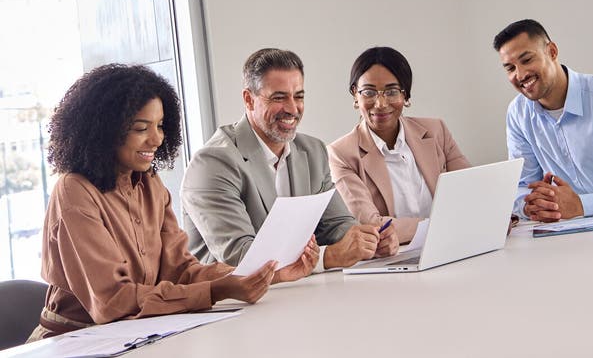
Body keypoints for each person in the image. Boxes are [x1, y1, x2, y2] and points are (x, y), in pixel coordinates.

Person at [32, 63, 293, 339]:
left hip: (137, 334)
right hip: (73, 342)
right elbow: (112, 301)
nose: (156, 139)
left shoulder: (149, 183)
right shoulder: (74, 190)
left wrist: (261, 274)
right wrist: (217, 290)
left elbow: (181, 271)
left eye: (159, 126)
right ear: (105, 131)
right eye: (141, 128)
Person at [181, 48, 398, 270]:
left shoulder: (312, 151)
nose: (293, 109)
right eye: (279, 97)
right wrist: (327, 257)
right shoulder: (212, 163)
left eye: (299, 96)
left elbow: (336, 225)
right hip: (232, 301)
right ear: (249, 99)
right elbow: (239, 256)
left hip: (298, 293)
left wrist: (367, 240)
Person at [494, 18, 593, 221]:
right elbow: (522, 186)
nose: (520, 74)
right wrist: (533, 206)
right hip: (566, 233)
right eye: (510, 68)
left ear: (552, 51)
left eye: (527, 60)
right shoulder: (517, 114)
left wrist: (581, 205)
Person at [328, 46, 470, 245]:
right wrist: (447, 223)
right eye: (369, 92)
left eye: (392, 91)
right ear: (355, 95)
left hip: (454, 244)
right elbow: (372, 226)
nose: (380, 103)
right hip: (397, 259)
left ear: (406, 95)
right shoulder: (341, 154)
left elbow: (472, 194)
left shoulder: (436, 131)